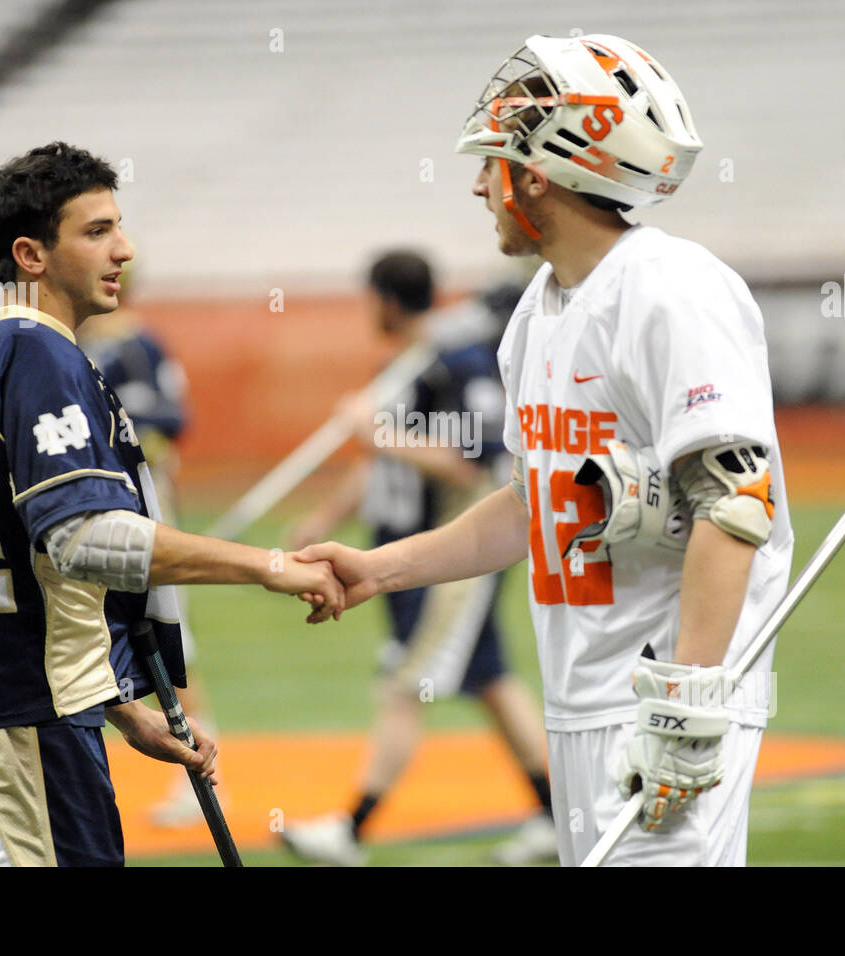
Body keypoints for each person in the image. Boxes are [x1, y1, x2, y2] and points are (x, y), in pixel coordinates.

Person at [298, 35, 793, 866]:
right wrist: (379, 569)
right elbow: (534, 500)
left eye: (492, 162)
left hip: (663, 702)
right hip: (582, 698)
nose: (476, 184)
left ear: (537, 174)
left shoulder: (671, 288)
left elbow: (738, 500)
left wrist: (690, 703)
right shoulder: (539, 312)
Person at [0, 142, 342, 866]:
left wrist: (119, 708)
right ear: (31, 254)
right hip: (14, 727)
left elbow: (23, 553)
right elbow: (80, 536)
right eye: (97, 230)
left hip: (30, 716)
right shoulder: (37, 352)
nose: (124, 249)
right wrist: (268, 565)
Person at [279, 251, 557, 866]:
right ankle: (557, 815)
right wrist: (327, 517)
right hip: (408, 552)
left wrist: (375, 432)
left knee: (406, 682)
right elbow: (388, 460)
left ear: (385, 299)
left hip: (449, 560)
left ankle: (351, 831)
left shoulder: (450, 364)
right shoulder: (405, 367)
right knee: (491, 682)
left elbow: (472, 459)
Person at [75, 274, 223, 827]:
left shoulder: (130, 343)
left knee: (164, 634)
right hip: (110, 502)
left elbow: (169, 417)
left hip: (132, 501)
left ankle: (203, 772)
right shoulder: (84, 341)